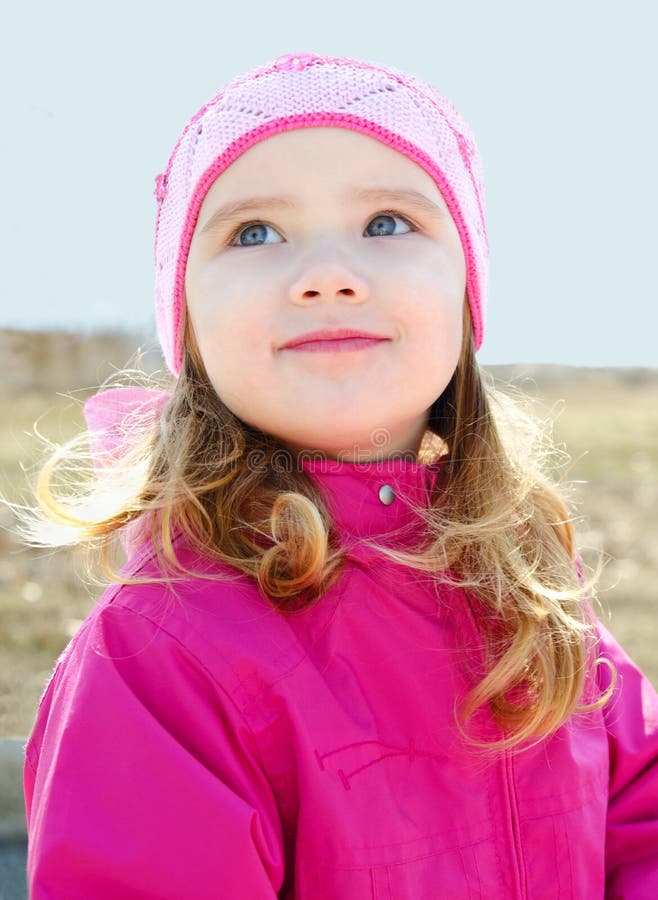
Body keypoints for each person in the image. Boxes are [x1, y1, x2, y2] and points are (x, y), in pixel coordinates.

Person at [19, 52, 658, 898]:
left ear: (466, 297)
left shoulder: (528, 584)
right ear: (190, 324)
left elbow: (637, 813)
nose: (327, 276)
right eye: (254, 233)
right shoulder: (160, 652)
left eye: (389, 223)